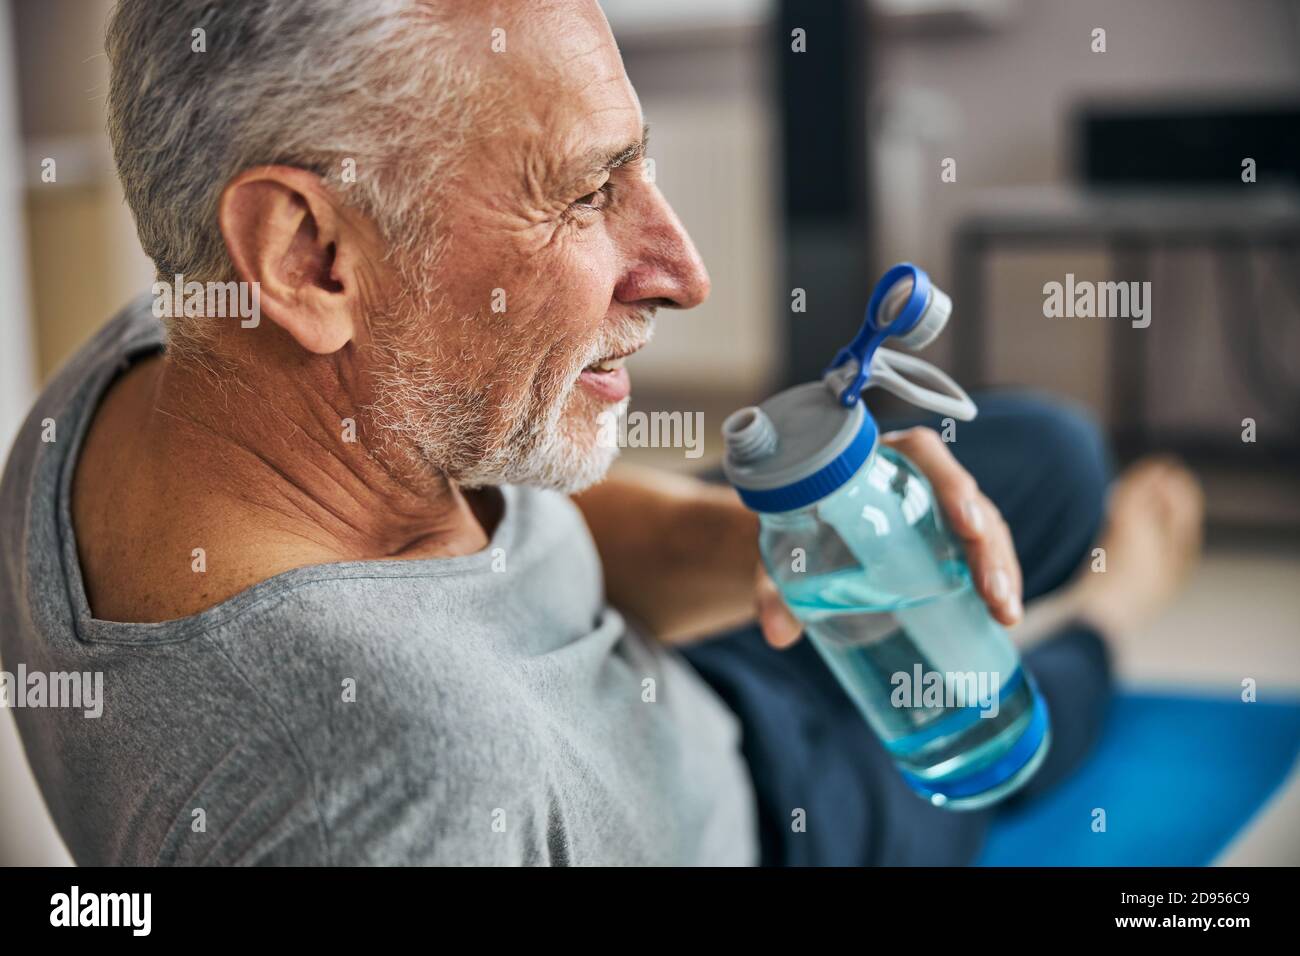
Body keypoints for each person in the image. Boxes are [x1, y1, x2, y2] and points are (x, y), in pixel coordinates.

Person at [0, 0, 1202, 866]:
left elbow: (523, 570)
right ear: (309, 254)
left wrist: (789, 548)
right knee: (1007, 721)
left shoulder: (165, 350)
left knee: (1048, 453)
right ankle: (1118, 611)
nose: (685, 274)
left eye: (641, 167)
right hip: (767, 807)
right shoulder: (396, 793)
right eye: (585, 191)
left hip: (655, 678)